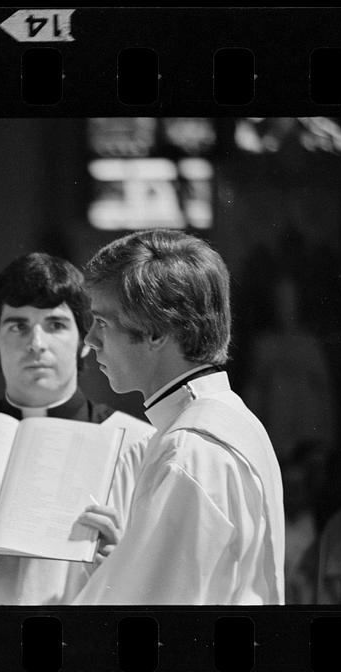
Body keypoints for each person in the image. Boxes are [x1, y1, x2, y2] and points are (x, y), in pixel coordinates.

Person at [0, 252, 155, 605]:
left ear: (84, 342)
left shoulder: (137, 445)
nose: (36, 343)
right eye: (18, 326)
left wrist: (125, 571)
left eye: (55, 325)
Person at [73, 229, 285, 605]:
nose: (89, 340)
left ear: (155, 332)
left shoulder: (188, 453)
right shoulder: (227, 417)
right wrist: (131, 557)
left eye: (102, 323)